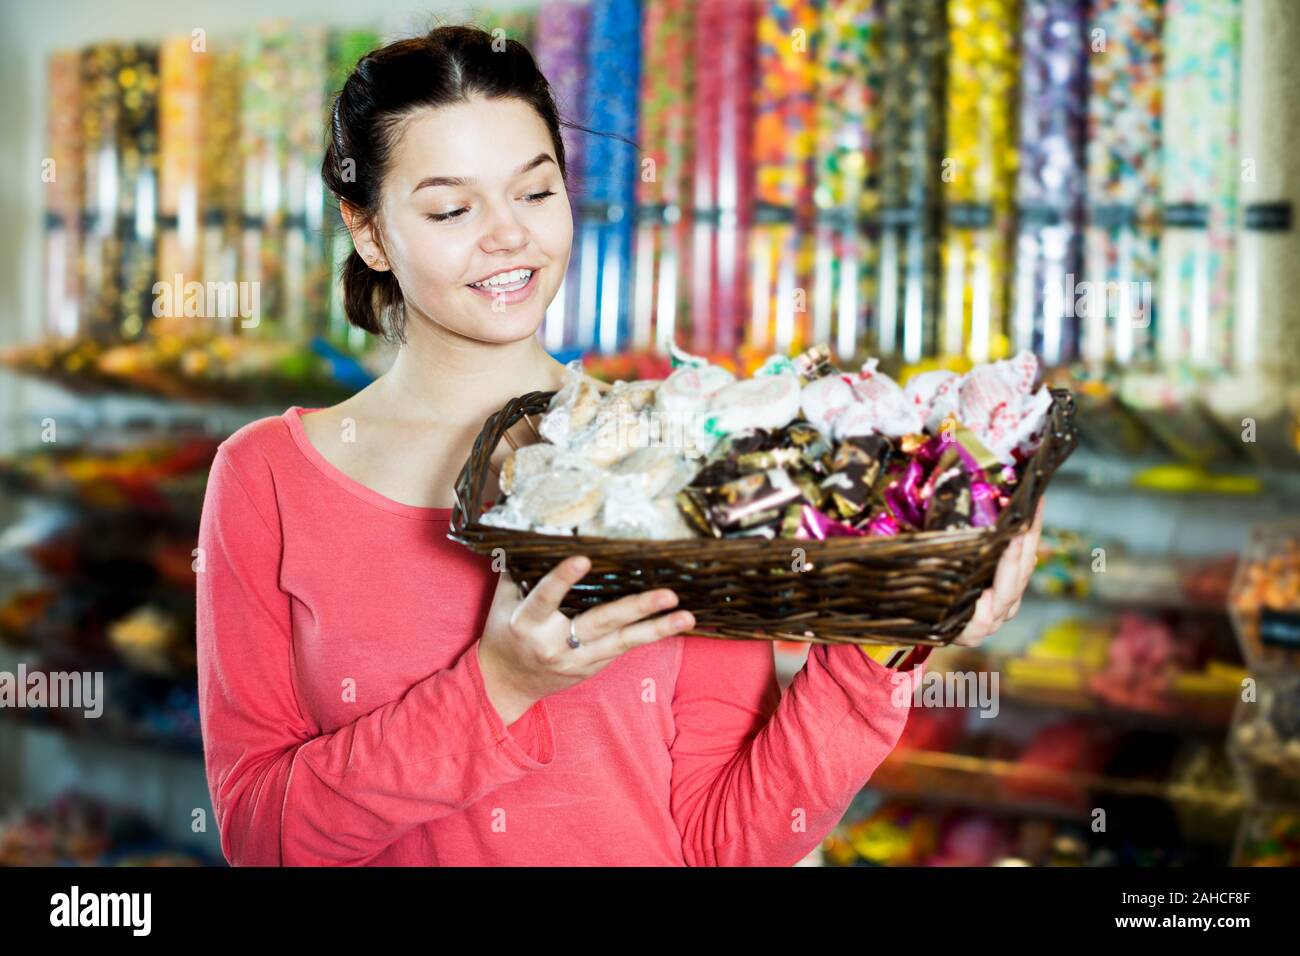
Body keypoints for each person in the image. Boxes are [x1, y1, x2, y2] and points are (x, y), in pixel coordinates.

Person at [195, 24, 1043, 867]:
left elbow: (728, 842)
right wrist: (498, 689)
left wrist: (889, 631)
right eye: (452, 208)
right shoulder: (267, 476)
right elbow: (261, 840)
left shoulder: (680, 446)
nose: (508, 237)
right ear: (369, 231)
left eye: (535, 192)